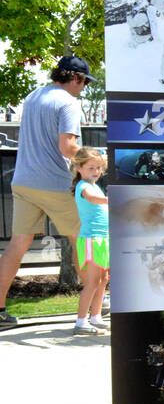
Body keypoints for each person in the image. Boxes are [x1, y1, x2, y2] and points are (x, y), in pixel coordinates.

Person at [0, 55, 94, 331]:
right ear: (75, 77)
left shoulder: (33, 96)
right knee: (82, 240)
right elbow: (67, 146)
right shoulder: (68, 103)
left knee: (16, 247)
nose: (85, 87)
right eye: (85, 81)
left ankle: (0, 311)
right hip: (55, 184)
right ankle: (95, 305)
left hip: (23, 181)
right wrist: (96, 158)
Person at [70, 147, 111, 334]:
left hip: (102, 239)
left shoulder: (95, 185)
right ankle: (81, 322)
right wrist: (110, 200)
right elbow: (92, 199)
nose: (96, 172)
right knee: (93, 282)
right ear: (79, 167)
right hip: (92, 240)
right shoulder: (83, 187)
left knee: (103, 279)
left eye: (99, 168)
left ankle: (95, 317)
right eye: (91, 168)